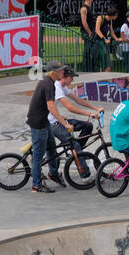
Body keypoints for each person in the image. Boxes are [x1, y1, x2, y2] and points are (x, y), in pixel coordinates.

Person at [26, 61, 76, 193]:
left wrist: (61, 118)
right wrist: (64, 123)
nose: (63, 72)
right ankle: (36, 185)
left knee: (52, 148)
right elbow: (51, 107)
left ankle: (53, 173)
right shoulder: (48, 84)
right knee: (38, 155)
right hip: (38, 123)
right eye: (60, 70)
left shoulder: (50, 83)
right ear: (54, 72)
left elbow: (50, 108)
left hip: (44, 122)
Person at [51, 66, 103, 175]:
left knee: (87, 126)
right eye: (71, 77)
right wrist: (89, 114)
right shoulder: (57, 87)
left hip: (59, 120)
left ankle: (76, 154)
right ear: (64, 77)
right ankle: (85, 174)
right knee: (75, 145)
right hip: (53, 123)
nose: (73, 80)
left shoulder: (63, 86)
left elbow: (77, 100)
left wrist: (96, 109)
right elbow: (69, 107)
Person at [80, 0, 101, 72]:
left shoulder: (89, 8)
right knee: (87, 51)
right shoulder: (84, 8)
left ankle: (91, 68)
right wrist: (89, 32)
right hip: (87, 33)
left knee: (92, 51)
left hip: (91, 32)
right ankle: (86, 69)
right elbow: (84, 22)